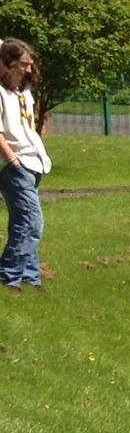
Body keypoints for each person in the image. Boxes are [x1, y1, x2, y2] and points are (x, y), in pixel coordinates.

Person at [0, 39, 47, 293]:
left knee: (24, 222)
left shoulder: (23, 91)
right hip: (14, 165)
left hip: (33, 163)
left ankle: (30, 275)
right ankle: (9, 275)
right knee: (31, 221)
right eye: (23, 64)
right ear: (8, 64)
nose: (29, 69)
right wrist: (13, 161)